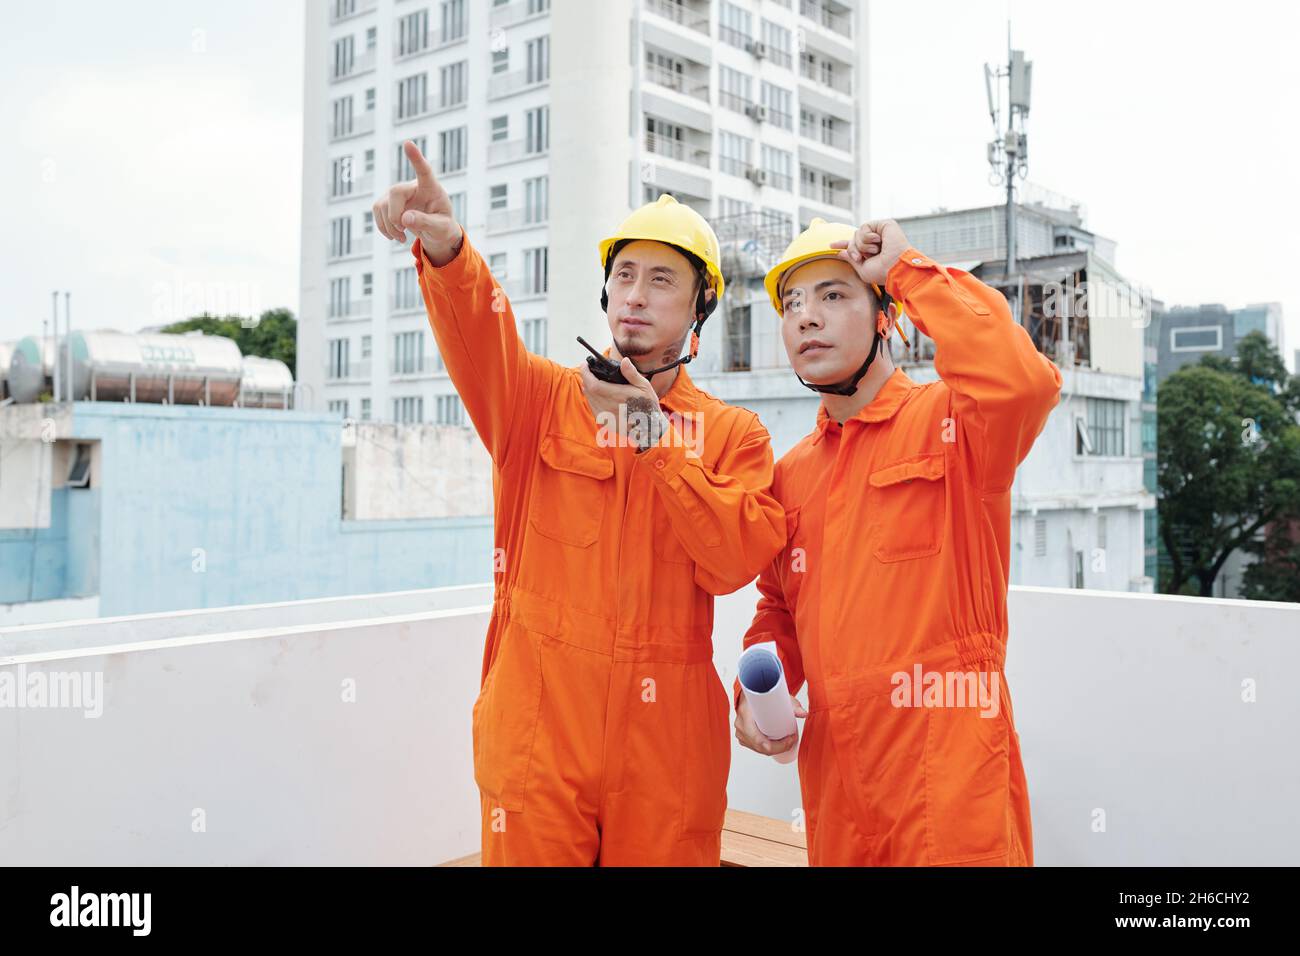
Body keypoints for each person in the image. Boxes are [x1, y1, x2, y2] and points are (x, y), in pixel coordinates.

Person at [375, 140, 785, 865]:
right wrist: (449, 251)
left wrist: (653, 442)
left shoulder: (732, 435)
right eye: (623, 275)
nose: (634, 293)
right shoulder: (539, 401)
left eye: (662, 280)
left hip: (666, 751)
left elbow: (734, 561)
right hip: (539, 728)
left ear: (700, 307)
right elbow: (479, 332)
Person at [732, 217, 1062, 866]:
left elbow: (1024, 380)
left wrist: (909, 270)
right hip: (840, 792)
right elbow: (778, 609)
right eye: (792, 303)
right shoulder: (792, 475)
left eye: (834, 295)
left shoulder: (955, 423)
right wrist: (754, 694)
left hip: (950, 783)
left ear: (887, 316)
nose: (806, 317)